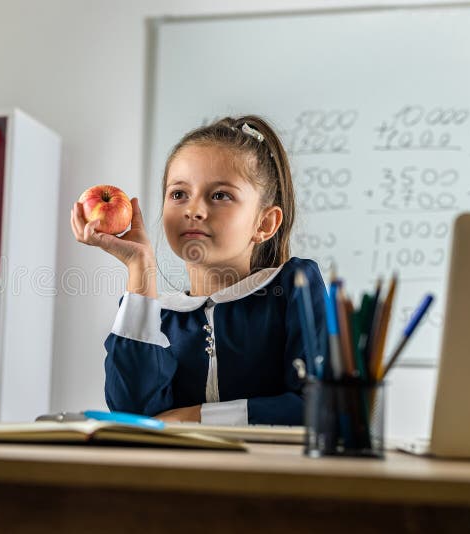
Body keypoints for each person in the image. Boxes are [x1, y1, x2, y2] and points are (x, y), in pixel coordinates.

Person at [70, 115, 327, 425]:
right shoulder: (156, 314)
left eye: (220, 195)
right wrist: (140, 268)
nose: (193, 210)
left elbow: (319, 407)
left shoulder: (294, 285)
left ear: (265, 223)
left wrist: (198, 416)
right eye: (179, 194)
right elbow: (134, 415)